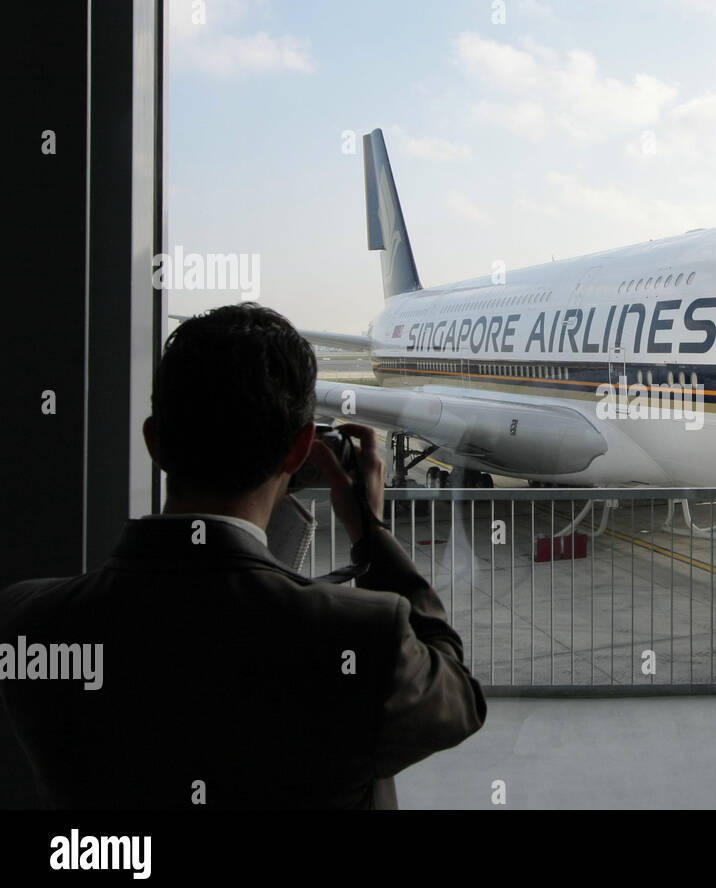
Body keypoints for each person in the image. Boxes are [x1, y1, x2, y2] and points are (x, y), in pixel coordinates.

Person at [0, 303, 486, 808]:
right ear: (300, 449)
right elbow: (457, 699)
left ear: (153, 443)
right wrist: (371, 532)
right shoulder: (361, 637)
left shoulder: (28, 624)